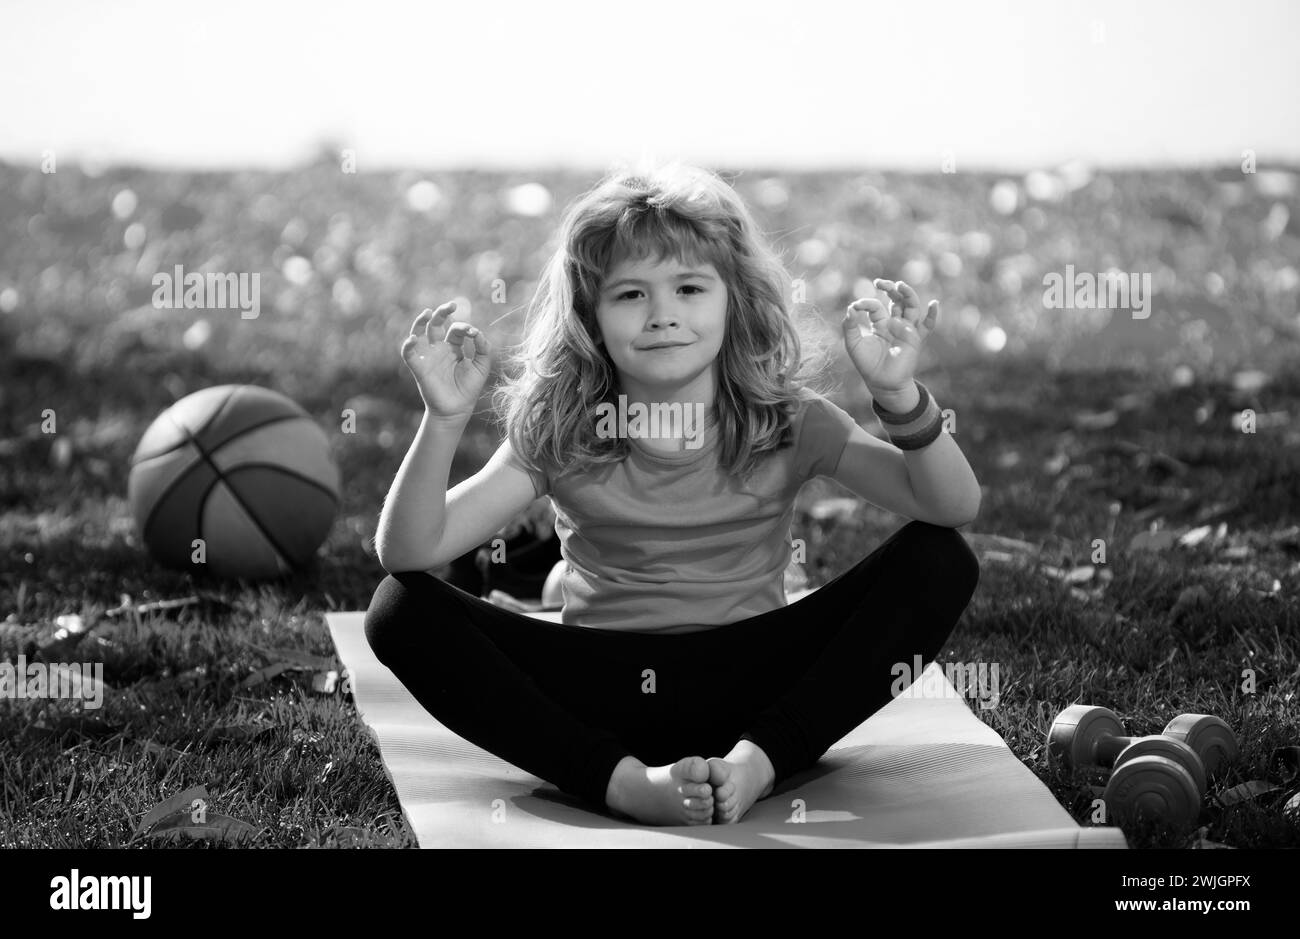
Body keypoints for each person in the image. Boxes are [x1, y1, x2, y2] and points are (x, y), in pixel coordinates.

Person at [365, 159, 982, 827]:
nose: (662, 315)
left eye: (690, 288)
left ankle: (760, 765)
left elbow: (950, 506)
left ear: (733, 299)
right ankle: (618, 782)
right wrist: (444, 420)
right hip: (599, 693)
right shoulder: (562, 428)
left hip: (757, 685)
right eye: (630, 294)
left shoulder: (789, 419)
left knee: (941, 559)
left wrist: (899, 399)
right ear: (590, 316)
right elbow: (409, 550)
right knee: (399, 609)